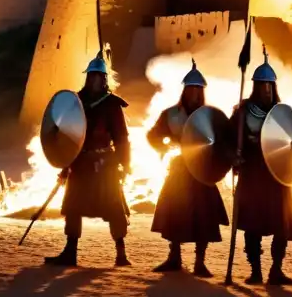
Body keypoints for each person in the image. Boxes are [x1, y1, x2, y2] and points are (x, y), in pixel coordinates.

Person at [45, 50, 132, 267]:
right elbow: (66, 132)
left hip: (105, 165)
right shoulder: (76, 101)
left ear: (104, 79)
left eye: (98, 76)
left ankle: (121, 253)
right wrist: (65, 161)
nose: (94, 80)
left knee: (114, 208)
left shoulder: (112, 105)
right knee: (73, 207)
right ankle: (70, 251)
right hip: (80, 162)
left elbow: (122, 137)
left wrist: (125, 164)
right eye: (91, 76)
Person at [228, 50, 292, 285]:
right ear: (255, 86)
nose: (266, 90)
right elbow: (228, 139)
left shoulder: (281, 112)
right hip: (252, 173)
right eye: (262, 85)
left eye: (269, 85)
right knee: (252, 224)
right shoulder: (242, 112)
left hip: (278, 176)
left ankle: (276, 269)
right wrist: (234, 155)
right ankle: (255, 270)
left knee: (281, 224)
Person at [148, 60, 229, 277]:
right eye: (191, 89)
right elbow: (153, 135)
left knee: (204, 217)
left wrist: (226, 158)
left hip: (203, 172)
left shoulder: (210, 116)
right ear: (184, 90)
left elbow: (224, 142)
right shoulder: (172, 114)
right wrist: (165, 144)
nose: (194, 93)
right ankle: (174, 257)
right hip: (179, 170)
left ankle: (200, 262)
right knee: (175, 214)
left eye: (198, 89)